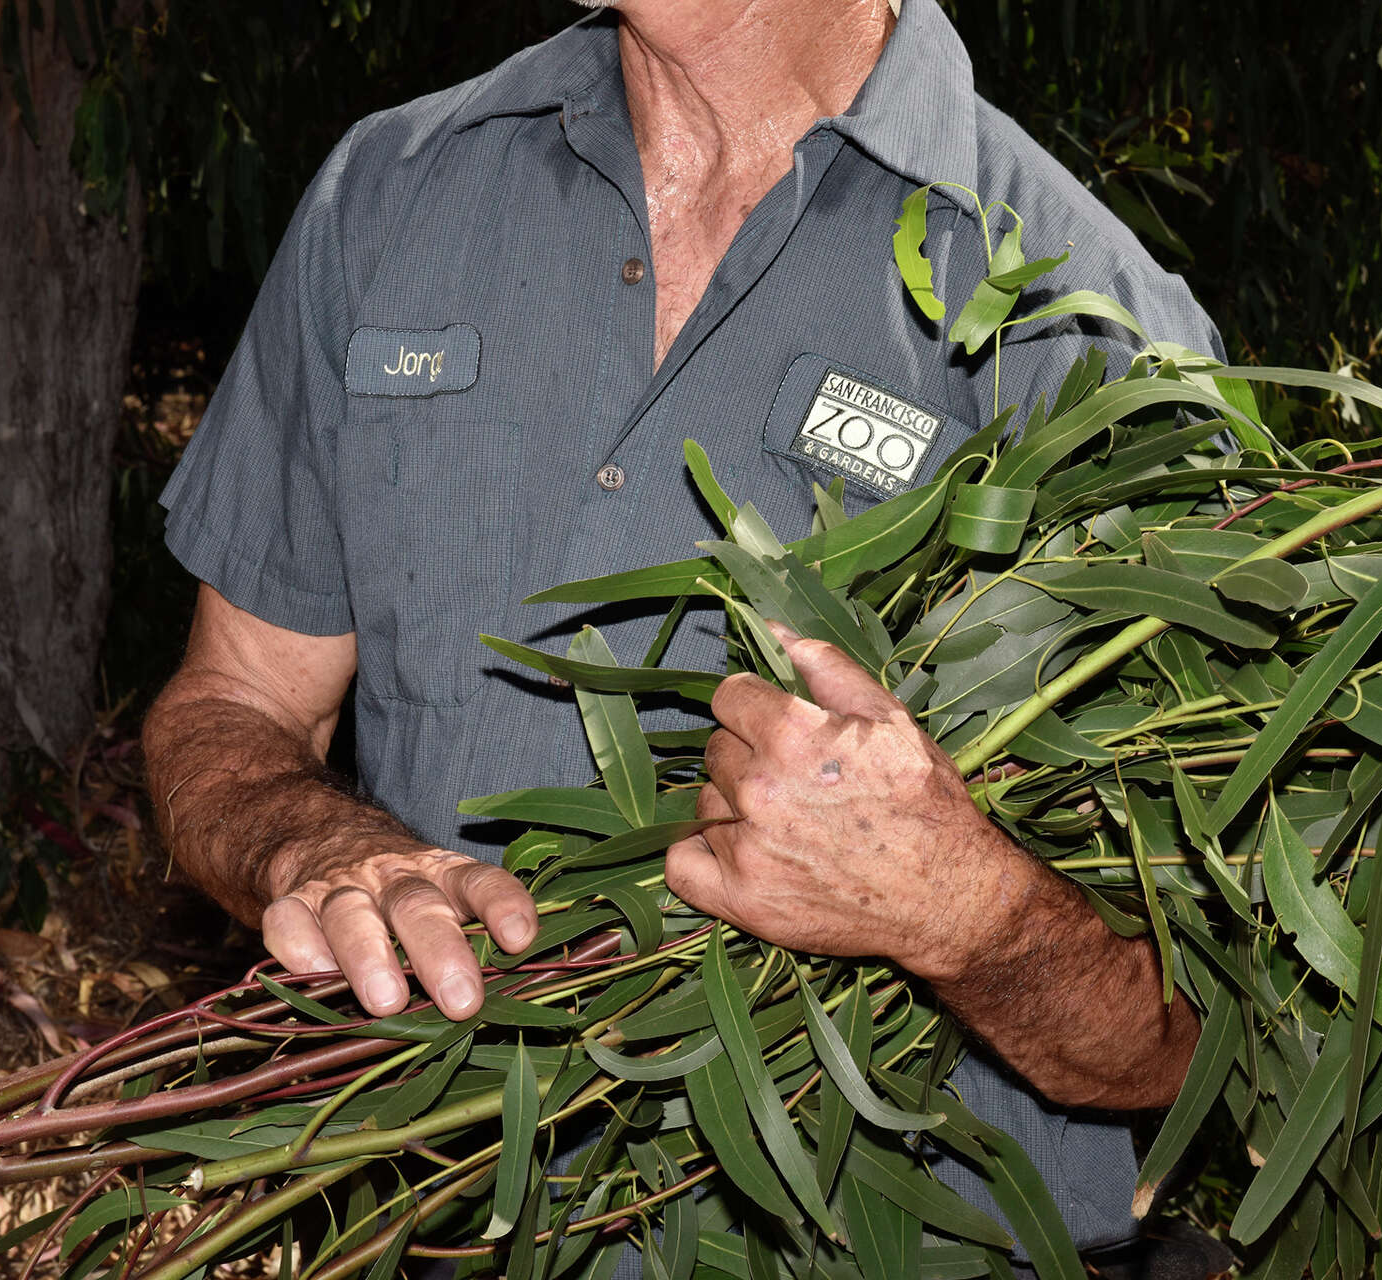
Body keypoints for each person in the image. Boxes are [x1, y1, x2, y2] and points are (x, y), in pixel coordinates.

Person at [144, 0, 1215, 1259]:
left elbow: (1202, 1037)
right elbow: (235, 699)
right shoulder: (395, 192)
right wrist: (318, 844)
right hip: (435, 1228)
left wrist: (966, 911)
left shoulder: (1086, 330)